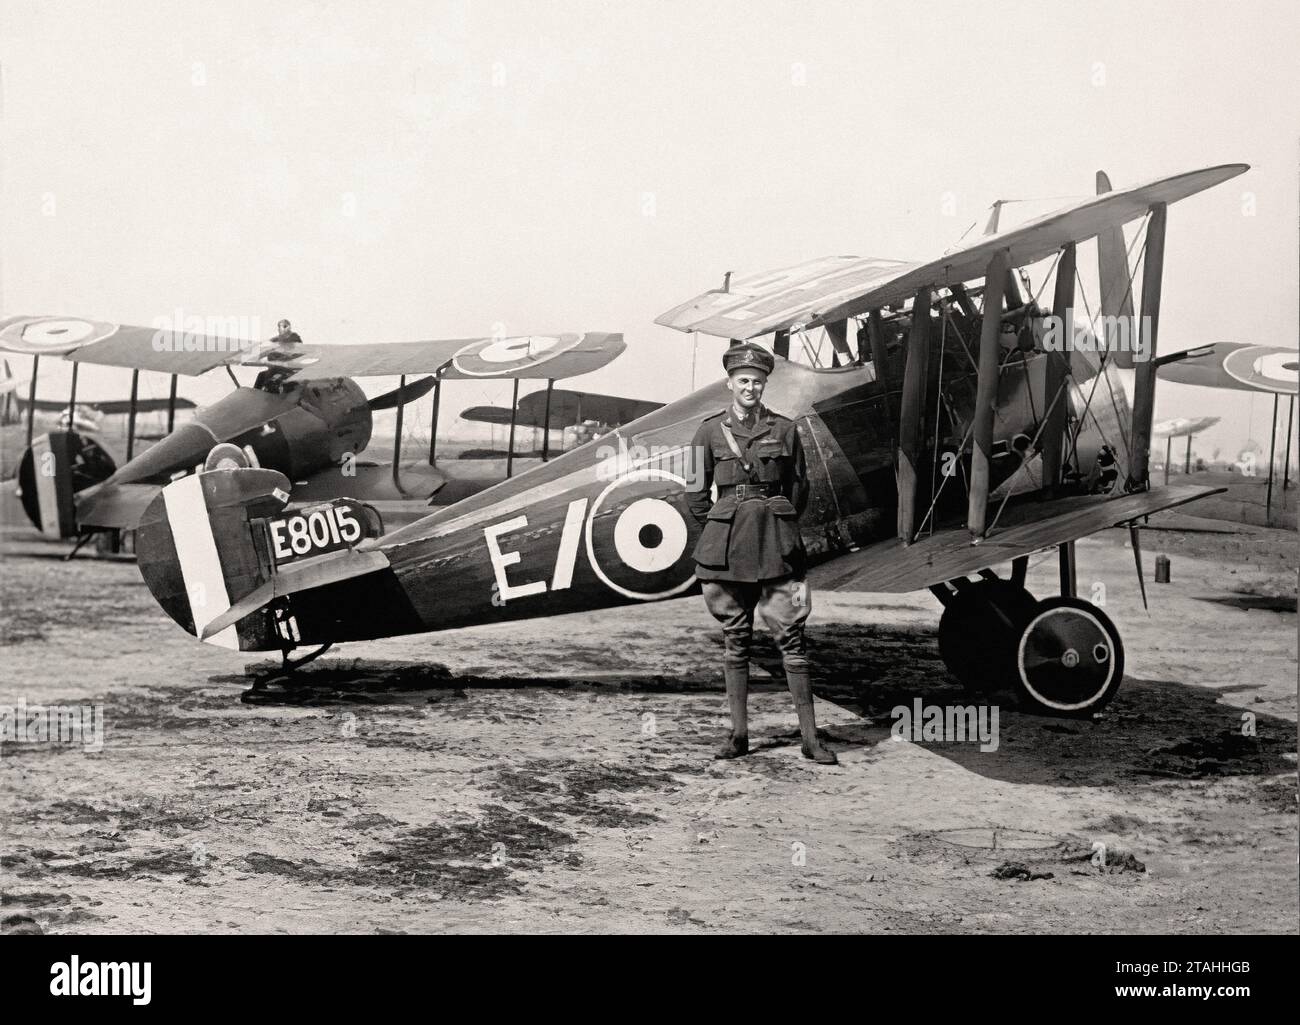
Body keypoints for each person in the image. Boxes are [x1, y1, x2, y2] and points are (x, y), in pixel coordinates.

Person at [686, 342, 838, 765]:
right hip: (727, 553)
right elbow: (695, 495)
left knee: (793, 640)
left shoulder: (786, 429)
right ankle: (738, 736)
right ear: (730, 383)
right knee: (736, 642)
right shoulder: (709, 431)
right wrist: (723, 530)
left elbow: (799, 488)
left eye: (757, 381)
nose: (750, 387)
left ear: (764, 384)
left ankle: (810, 739)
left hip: (778, 550)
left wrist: (779, 526)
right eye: (743, 381)